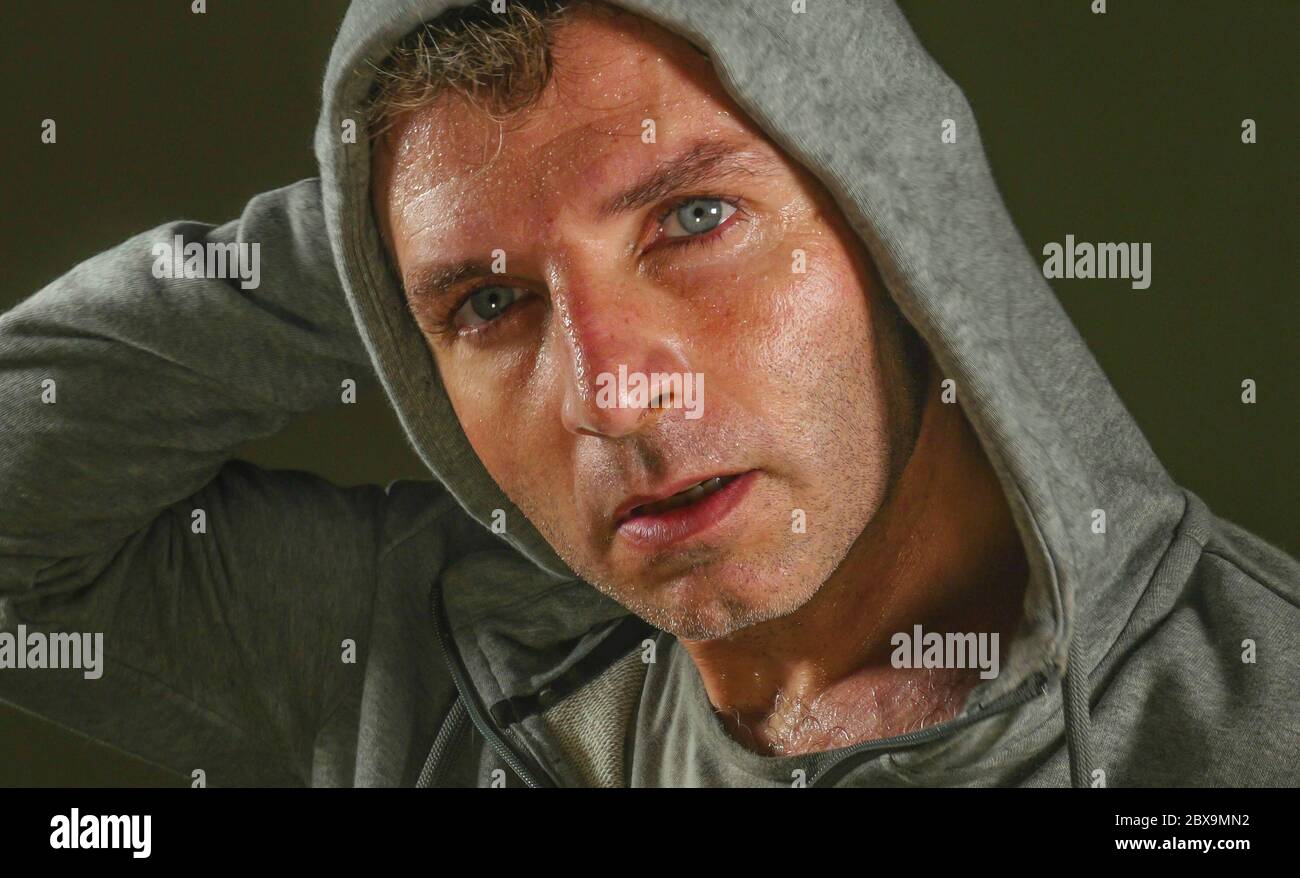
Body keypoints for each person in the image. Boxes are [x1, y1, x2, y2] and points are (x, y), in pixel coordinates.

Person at [0, 0, 1294, 788]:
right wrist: (378, 231)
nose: (612, 390)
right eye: (492, 307)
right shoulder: (429, 661)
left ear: (896, 215)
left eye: (694, 216)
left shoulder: (1254, 724)